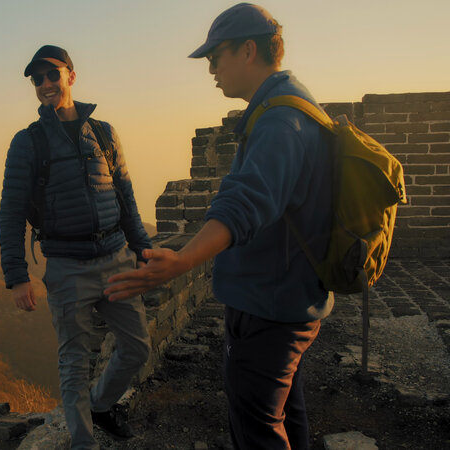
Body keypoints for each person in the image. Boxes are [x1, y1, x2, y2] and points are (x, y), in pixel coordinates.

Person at [105, 4, 333, 449]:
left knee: (257, 429)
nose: (210, 69)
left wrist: (184, 259)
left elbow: (245, 202)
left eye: (215, 56)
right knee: (285, 415)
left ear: (249, 50)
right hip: (291, 298)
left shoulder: (279, 121)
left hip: (268, 305)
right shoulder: (290, 104)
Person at [0, 45, 153, 449]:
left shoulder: (102, 132)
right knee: (73, 363)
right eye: (38, 79)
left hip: (117, 258)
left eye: (53, 75)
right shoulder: (27, 143)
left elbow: (125, 196)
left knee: (137, 347)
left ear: (71, 75)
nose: (46, 84)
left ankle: (101, 405)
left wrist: (145, 249)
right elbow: (11, 212)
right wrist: (17, 276)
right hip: (67, 266)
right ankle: (85, 442)